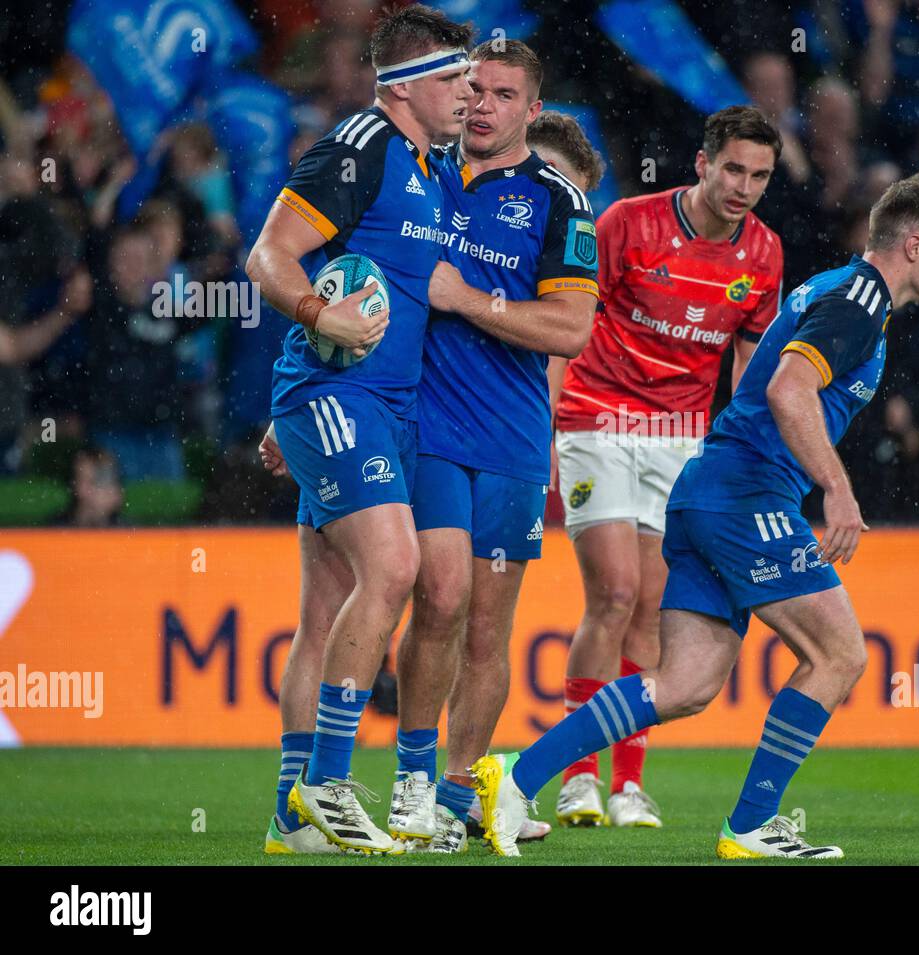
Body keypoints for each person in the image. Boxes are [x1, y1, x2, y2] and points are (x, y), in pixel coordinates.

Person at [471, 173, 919, 858]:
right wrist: (838, 489)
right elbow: (790, 389)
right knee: (839, 653)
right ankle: (752, 823)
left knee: (684, 686)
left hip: (707, 490)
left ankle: (514, 778)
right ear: (915, 243)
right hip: (746, 496)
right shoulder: (857, 301)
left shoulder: (841, 293)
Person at [247, 4, 474, 855]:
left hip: (380, 409)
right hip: (342, 400)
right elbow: (268, 253)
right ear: (406, 86)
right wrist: (315, 316)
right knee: (397, 565)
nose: (466, 94)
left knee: (320, 614)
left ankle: (288, 816)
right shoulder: (362, 146)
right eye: (452, 79)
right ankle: (329, 785)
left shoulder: (425, 165)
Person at [390, 39, 600, 854]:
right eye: (472, 89)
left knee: (486, 629)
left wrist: (466, 298)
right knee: (439, 596)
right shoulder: (418, 171)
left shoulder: (556, 200)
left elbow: (572, 328)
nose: (482, 105)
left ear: (532, 110)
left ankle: (454, 792)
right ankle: (411, 779)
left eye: (504, 95)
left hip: (512, 442)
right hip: (428, 426)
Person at [548, 106, 784, 828]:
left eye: (760, 175)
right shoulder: (626, 222)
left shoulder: (764, 254)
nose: (744, 186)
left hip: (682, 436)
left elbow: (749, 365)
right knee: (614, 595)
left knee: (651, 608)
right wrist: (542, 431)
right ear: (703, 163)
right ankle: (576, 776)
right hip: (596, 417)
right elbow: (568, 322)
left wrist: (743, 459)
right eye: (734, 168)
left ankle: (628, 785)